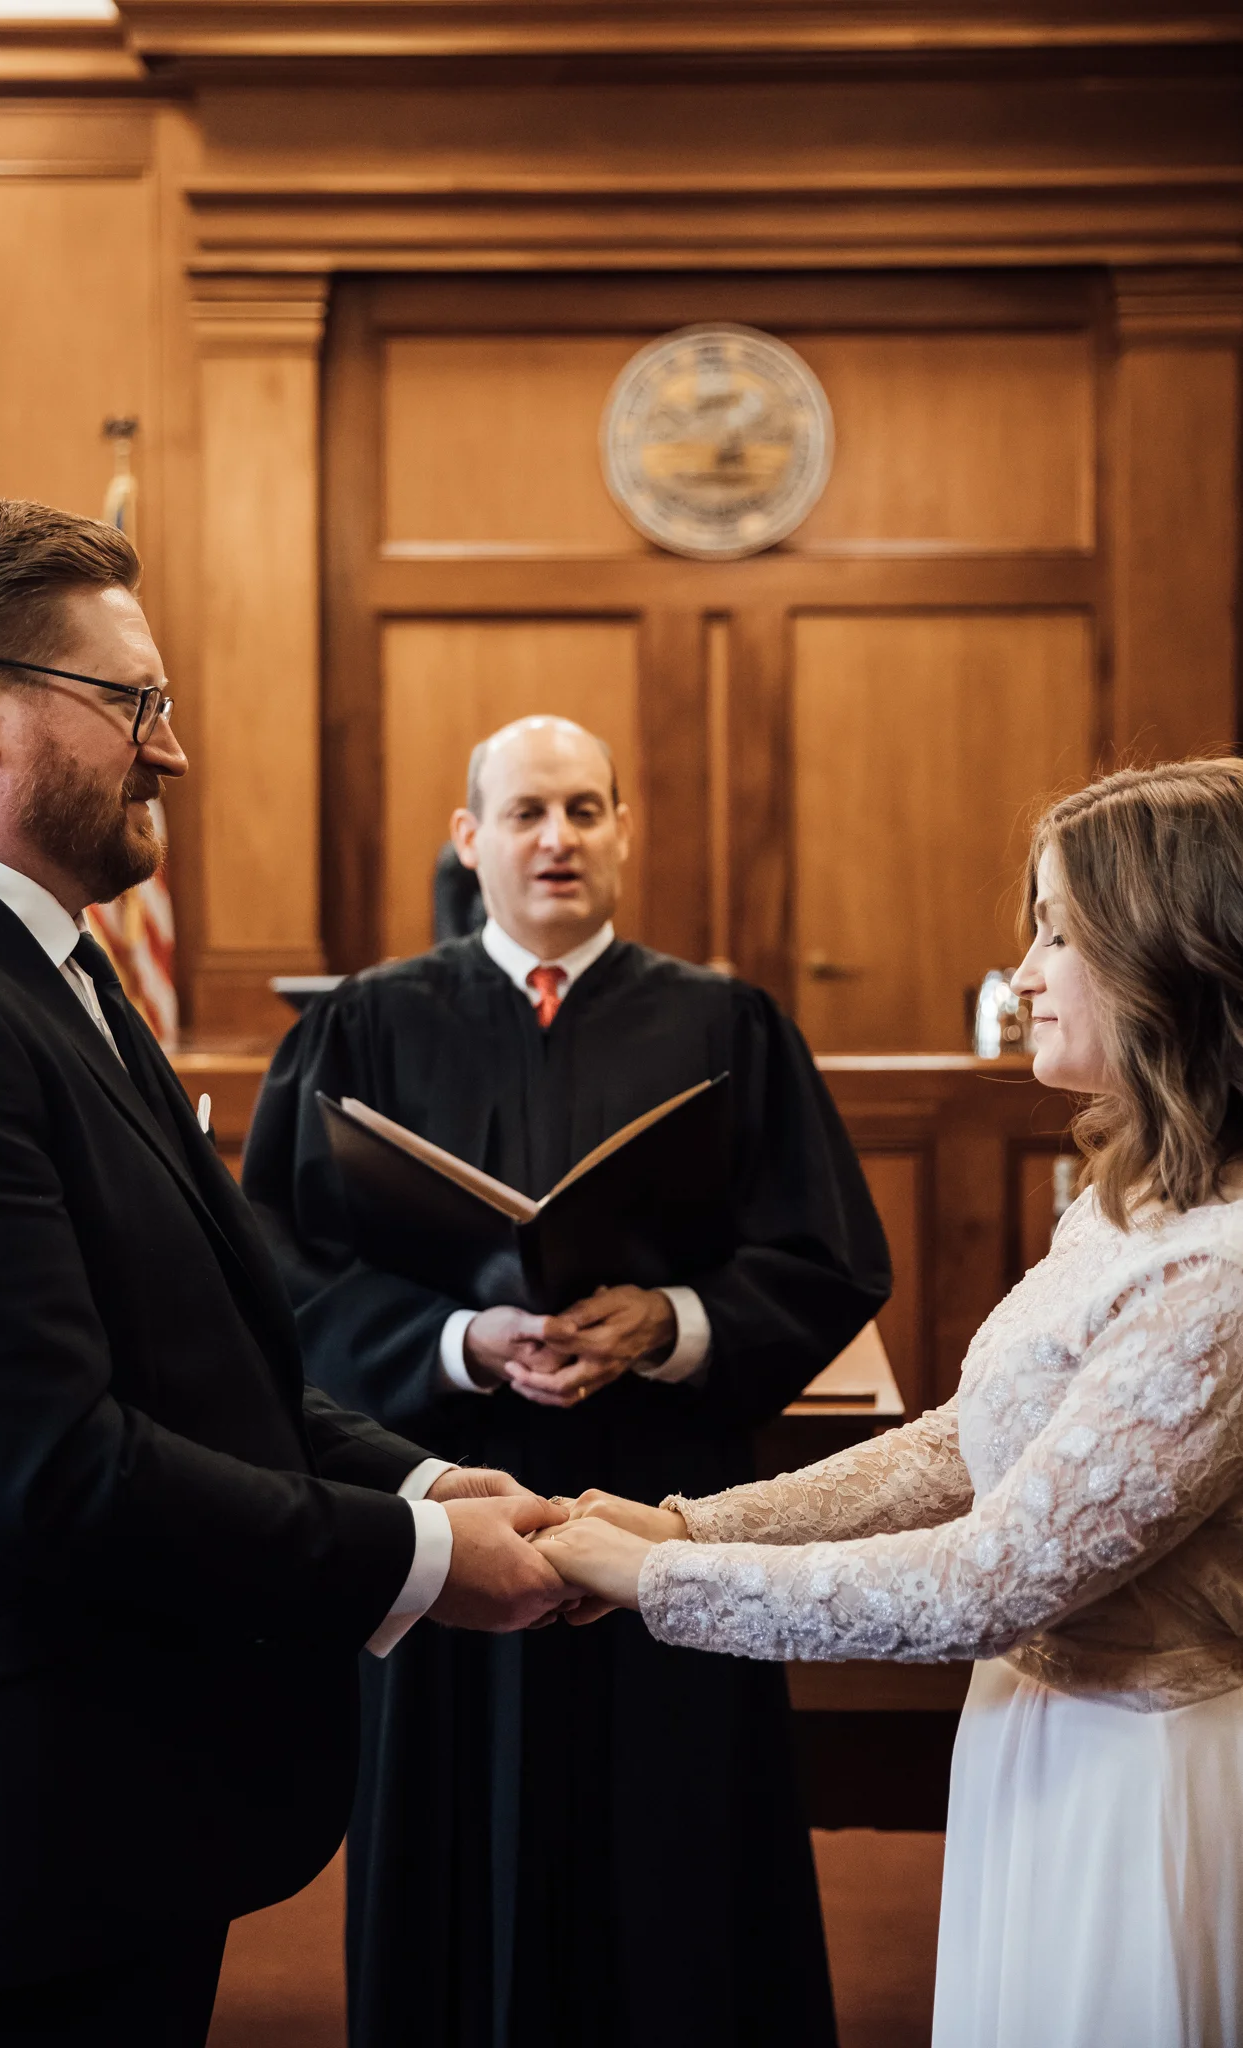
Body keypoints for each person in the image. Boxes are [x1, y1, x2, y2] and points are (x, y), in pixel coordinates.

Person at [0, 497, 569, 2048]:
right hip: (3, 1848)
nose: (171, 751)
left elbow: (203, 1352)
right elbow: (45, 1467)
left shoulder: (51, 972)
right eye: (134, 705)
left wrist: (422, 1484)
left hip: (112, 1815)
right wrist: (422, 1568)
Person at [539, 758, 1243, 2048]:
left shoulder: (1224, 1274)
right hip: (1042, 1733)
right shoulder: (1129, 1200)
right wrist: (683, 1529)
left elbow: (992, 1579)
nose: (1023, 975)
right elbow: (968, 1443)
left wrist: (654, 1586)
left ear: (1170, 957)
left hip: (1154, 1780)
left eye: (1055, 932)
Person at [244, 713, 891, 2048]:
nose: (558, 839)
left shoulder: (728, 1025)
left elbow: (830, 1256)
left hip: (669, 1505)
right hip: (444, 1504)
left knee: (681, 1860)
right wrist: (454, 1340)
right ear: (469, 837)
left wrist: (672, 1322)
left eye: (587, 810)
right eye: (528, 812)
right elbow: (270, 1270)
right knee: (451, 1850)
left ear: (624, 834)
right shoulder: (361, 1031)